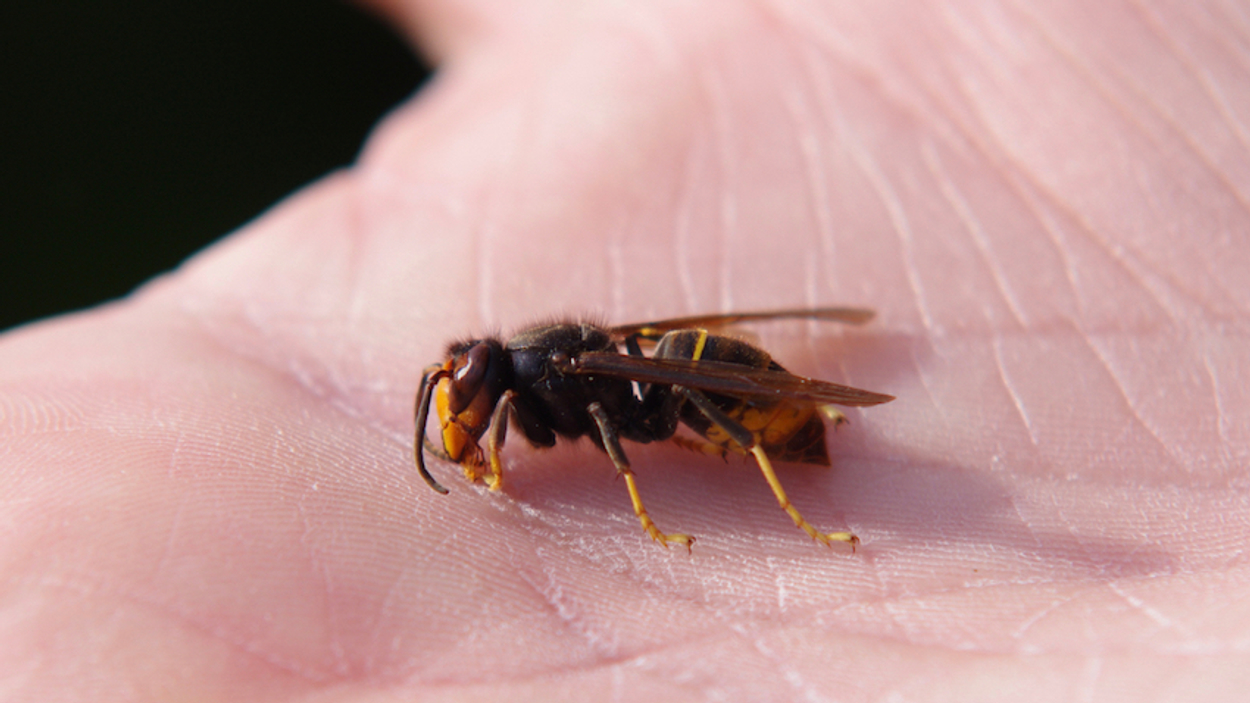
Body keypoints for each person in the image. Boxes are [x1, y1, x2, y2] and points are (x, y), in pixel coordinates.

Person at [3, 1, 1245, 699]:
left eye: (476, 406)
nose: (475, 414)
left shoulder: (577, 391)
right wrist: (462, 433)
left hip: (728, 403)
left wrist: (653, 517)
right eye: (468, 406)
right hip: (661, 372)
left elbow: (632, 411)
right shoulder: (529, 370)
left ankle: (799, 519)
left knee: (717, 407)